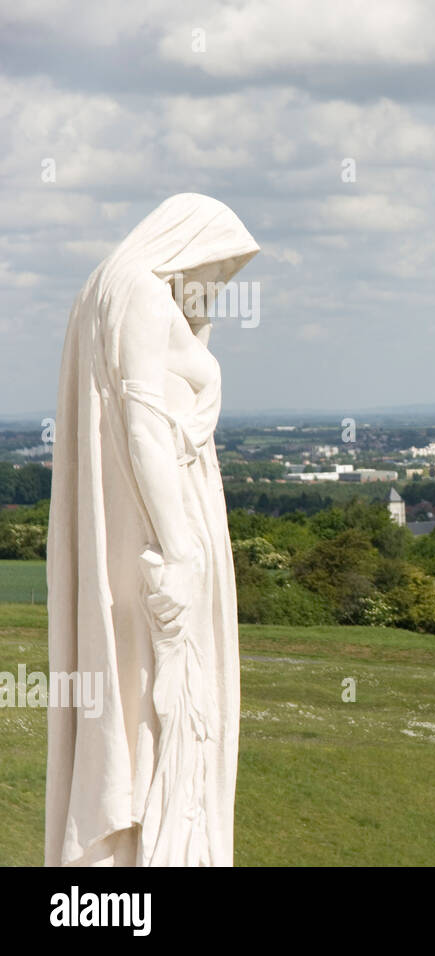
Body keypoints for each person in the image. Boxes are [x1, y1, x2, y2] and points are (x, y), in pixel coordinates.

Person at [46, 194, 259, 866]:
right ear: (186, 245)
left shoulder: (106, 288)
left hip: (141, 531)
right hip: (169, 530)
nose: (219, 288)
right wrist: (179, 549)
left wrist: (196, 333)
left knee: (146, 698)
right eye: (218, 268)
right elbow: (142, 422)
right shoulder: (138, 291)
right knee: (174, 704)